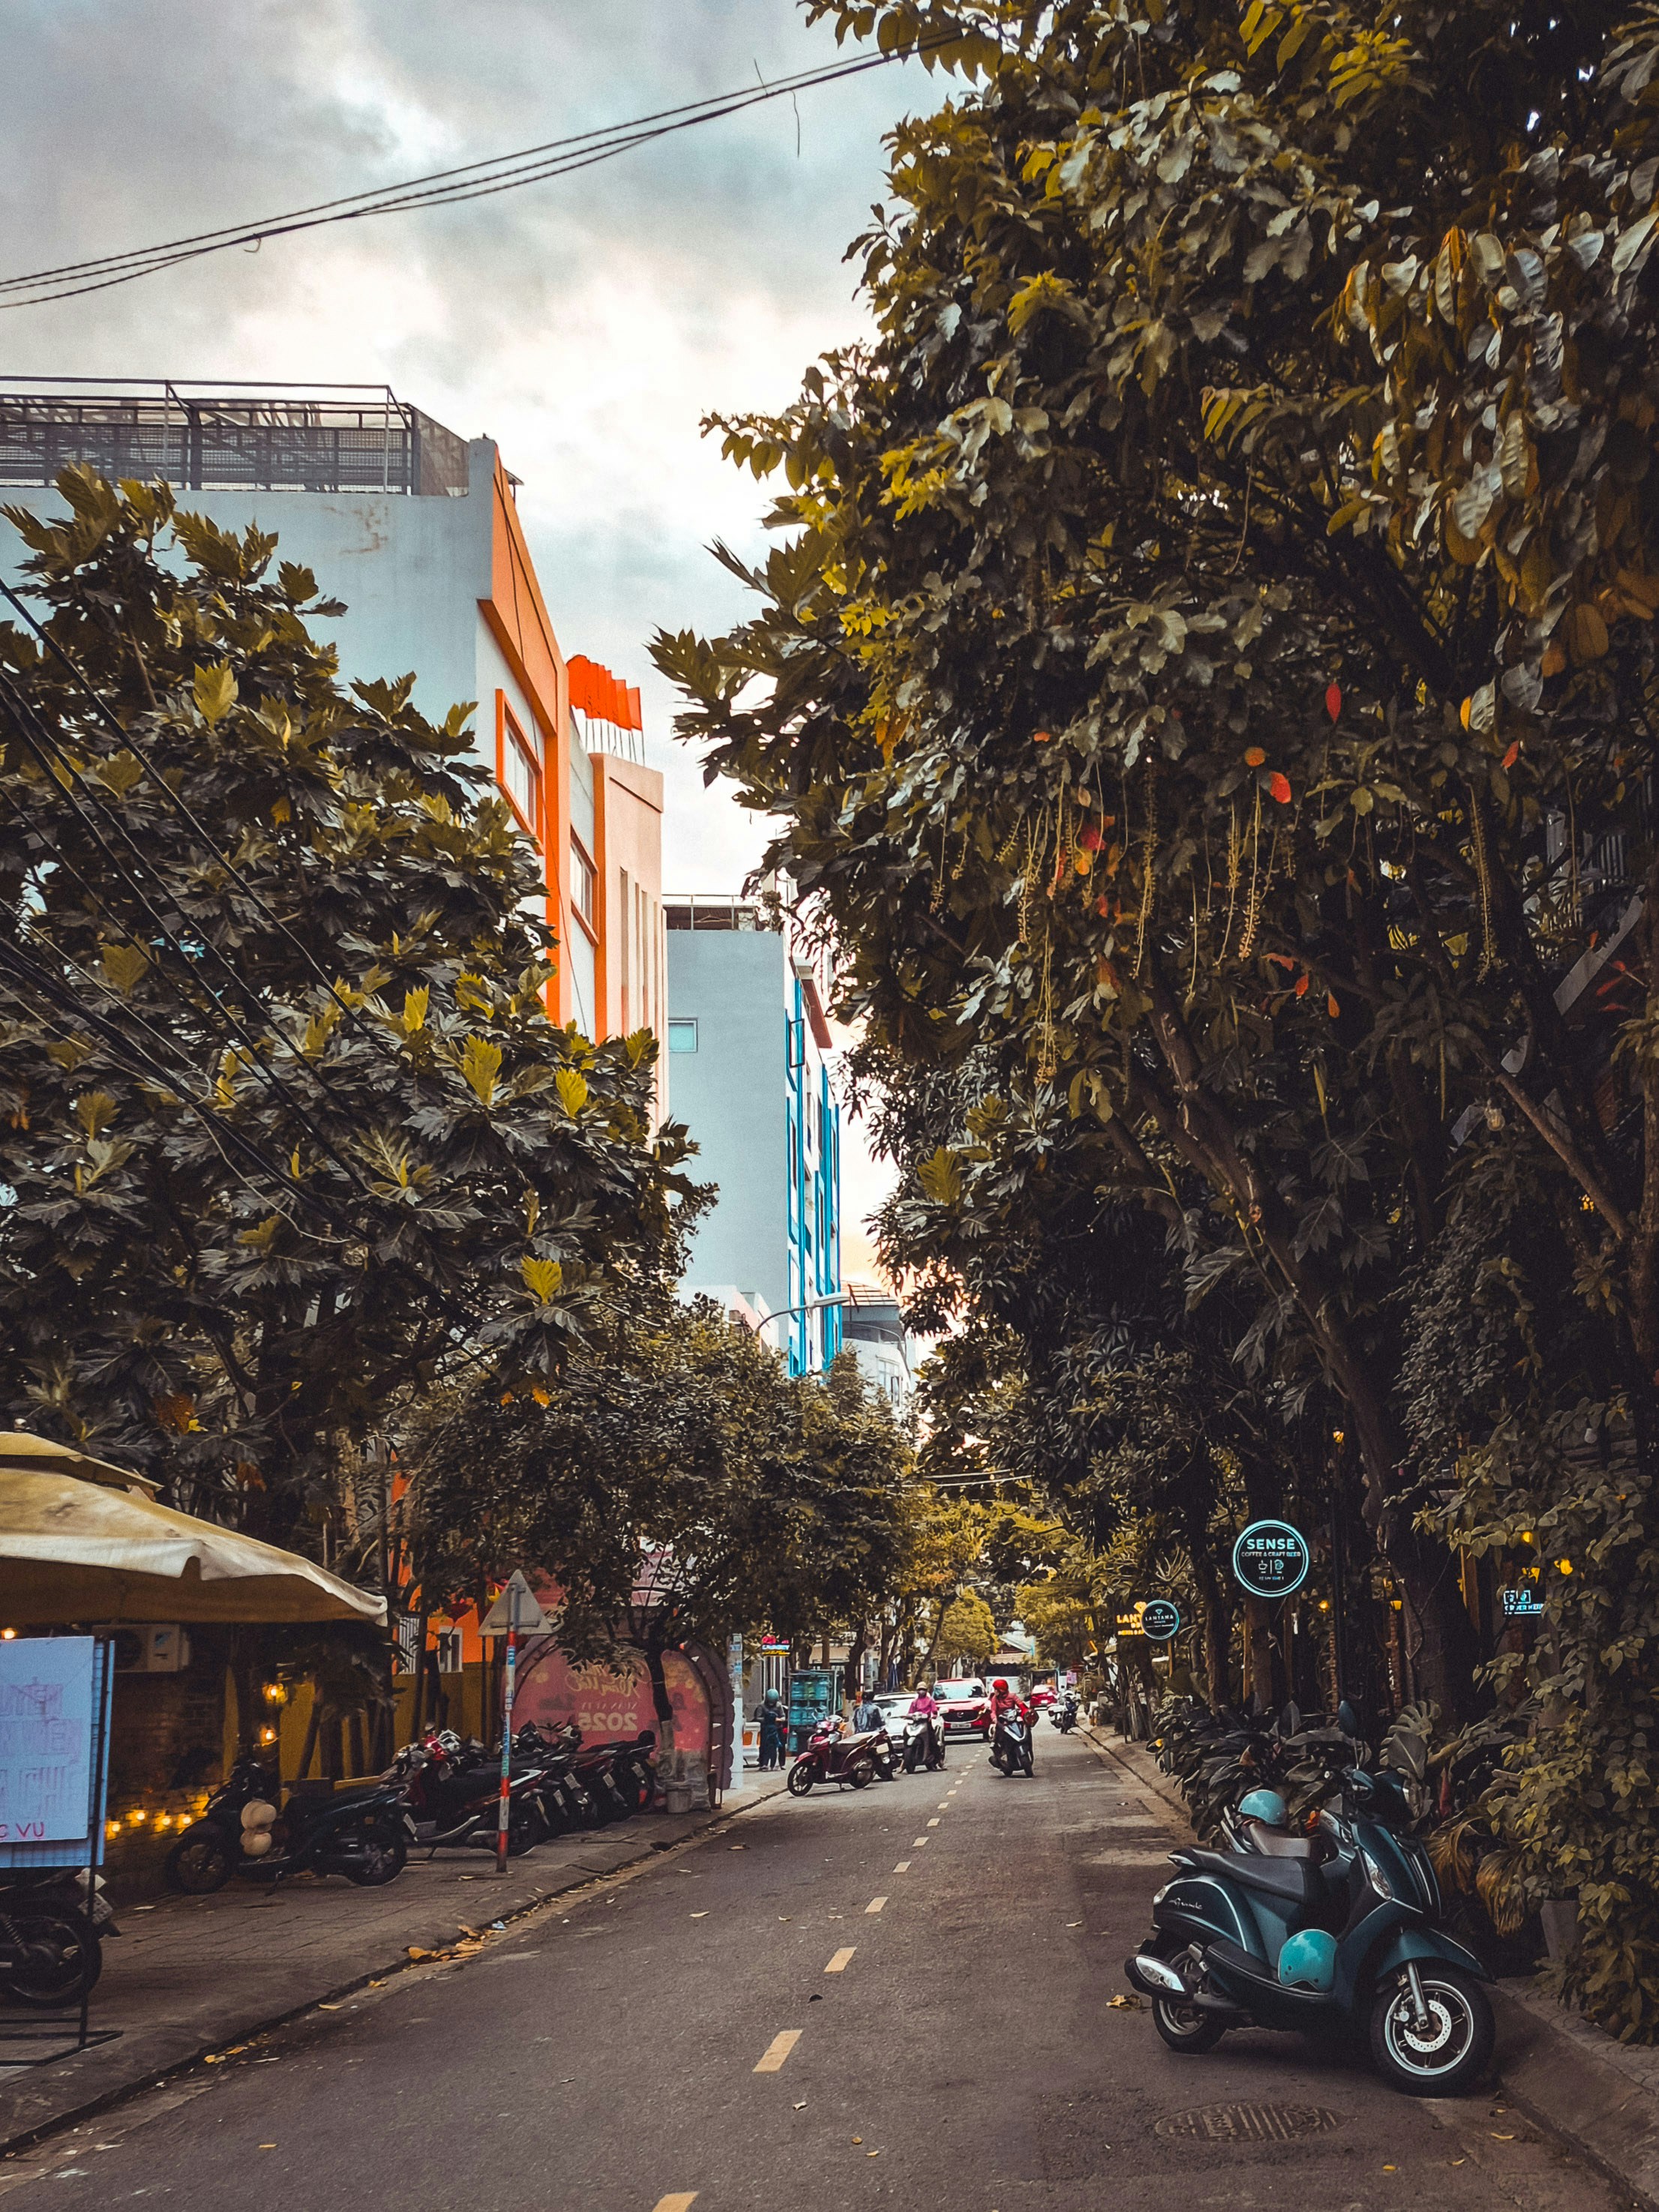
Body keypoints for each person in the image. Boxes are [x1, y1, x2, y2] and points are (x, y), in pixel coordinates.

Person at [908, 1683, 944, 1768]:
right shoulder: (914, 1702)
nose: (921, 1691)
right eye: (920, 1689)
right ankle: (905, 1761)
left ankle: (939, 1761)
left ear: (926, 1691)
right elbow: (910, 1712)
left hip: (927, 1724)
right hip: (916, 1724)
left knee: (933, 1742)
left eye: (923, 1689)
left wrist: (933, 1716)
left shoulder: (930, 1700)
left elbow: (934, 1710)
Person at [757, 1689, 787, 1771]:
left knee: (781, 1746)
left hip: (777, 1729)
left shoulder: (779, 1706)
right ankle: (763, 1763)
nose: (771, 1704)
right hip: (766, 1729)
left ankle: (781, 1763)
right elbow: (758, 1717)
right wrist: (768, 1719)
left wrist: (779, 1720)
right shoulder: (762, 1706)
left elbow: (783, 1716)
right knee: (764, 1746)